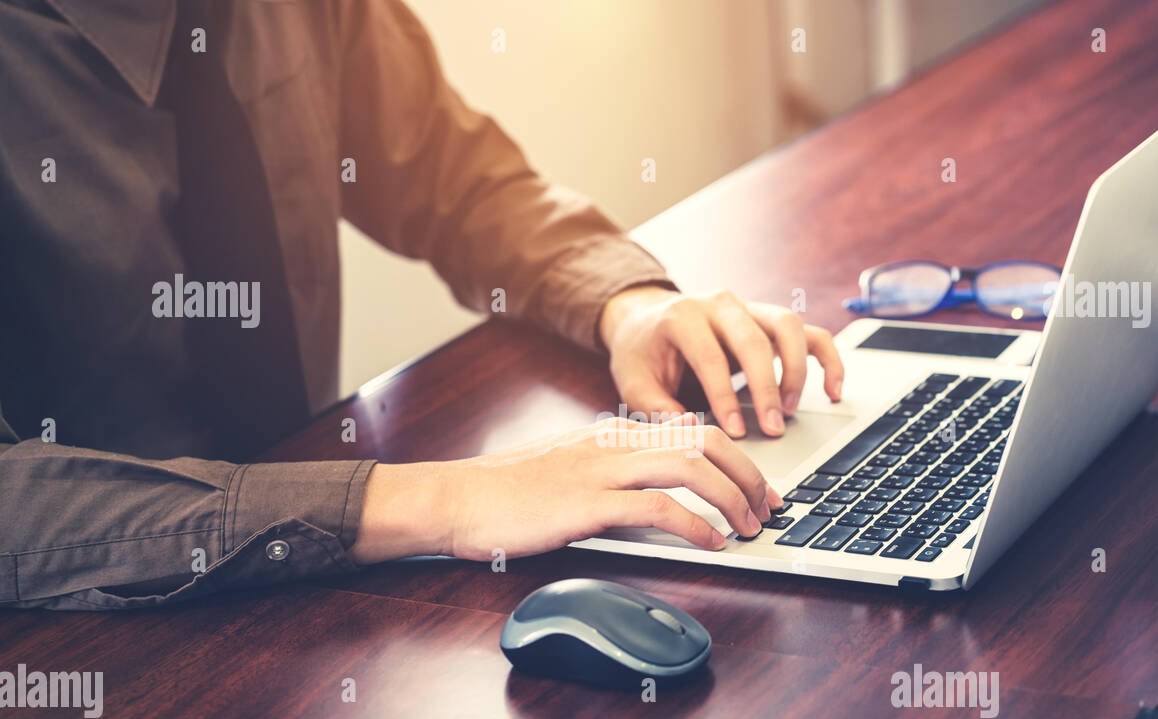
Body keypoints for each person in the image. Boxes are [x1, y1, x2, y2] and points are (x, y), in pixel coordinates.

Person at [0, 0, 843, 610]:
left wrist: (626, 302)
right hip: (80, 660)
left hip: (319, 609)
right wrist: (447, 499)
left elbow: (452, 177)